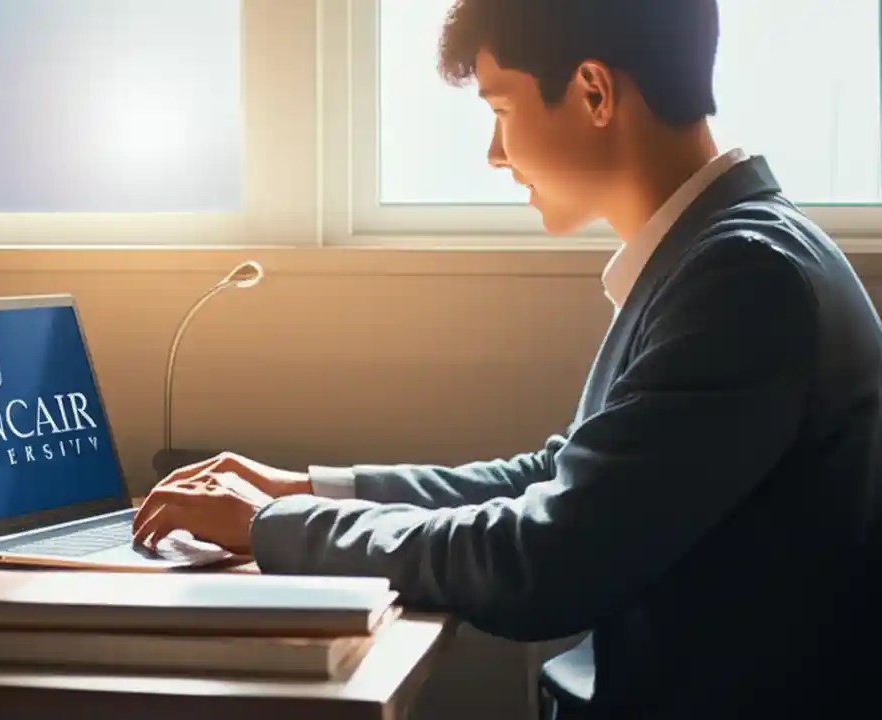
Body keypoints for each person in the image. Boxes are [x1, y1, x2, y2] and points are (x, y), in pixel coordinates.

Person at [133, 0, 882, 717]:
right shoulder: (724, 258)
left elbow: (546, 558)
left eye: (501, 111)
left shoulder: (745, 280)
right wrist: (314, 488)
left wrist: (273, 525)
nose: (494, 154)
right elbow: (562, 478)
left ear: (593, 91)